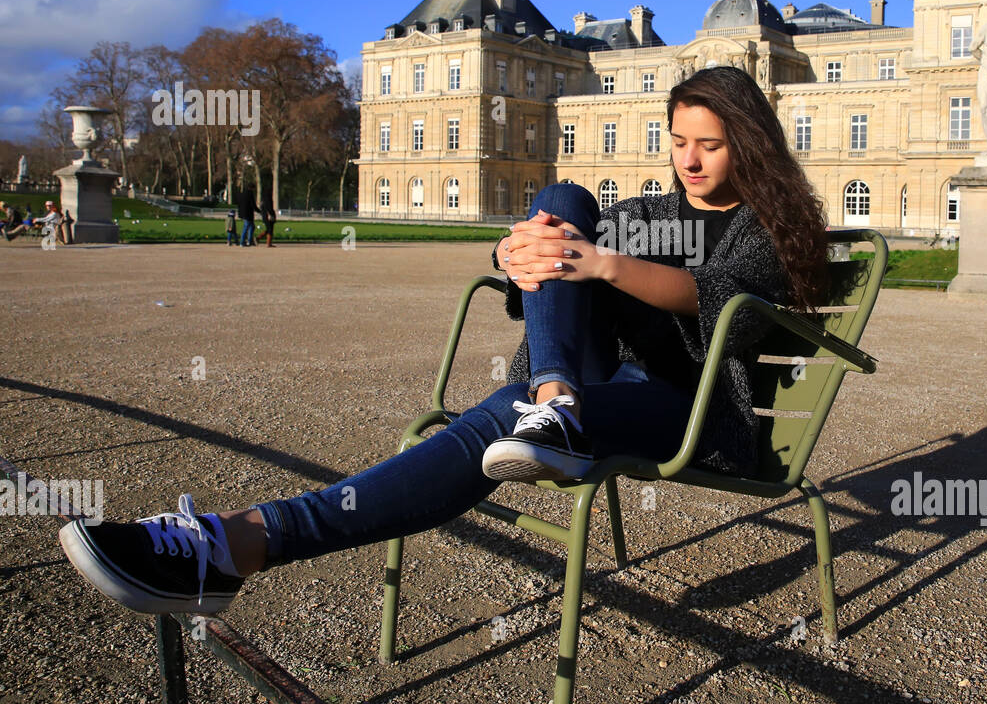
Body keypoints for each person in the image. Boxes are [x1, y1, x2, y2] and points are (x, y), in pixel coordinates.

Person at [57, 66, 830, 616]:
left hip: (689, 409)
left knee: (504, 411)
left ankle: (235, 544)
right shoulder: (649, 208)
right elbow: (565, 259)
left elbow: (732, 309)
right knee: (562, 199)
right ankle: (554, 402)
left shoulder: (768, 226)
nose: (688, 160)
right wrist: (511, 253)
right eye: (677, 140)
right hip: (599, 381)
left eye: (710, 145)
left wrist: (599, 262)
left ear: (750, 146)